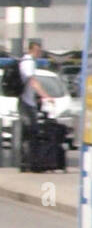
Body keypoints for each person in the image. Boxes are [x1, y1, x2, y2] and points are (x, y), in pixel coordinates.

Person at [17, 40, 55, 172]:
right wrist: (46, 96)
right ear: (31, 50)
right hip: (26, 104)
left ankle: (27, 163)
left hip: (28, 102)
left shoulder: (27, 62)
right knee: (31, 133)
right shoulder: (28, 63)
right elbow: (33, 83)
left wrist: (38, 98)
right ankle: (31, 164)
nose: (39, 53)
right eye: (38, 51)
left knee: (29, 133)